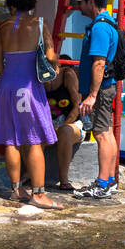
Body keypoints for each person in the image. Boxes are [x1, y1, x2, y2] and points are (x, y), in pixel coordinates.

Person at [0, 0, 61, 209]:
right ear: (30, 4)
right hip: (29, 87)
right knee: (33, 139)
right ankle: (39, 194)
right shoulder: (40, 23)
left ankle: (16, 189)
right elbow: (50, 57)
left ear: (11, 6)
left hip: (6, 87)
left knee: (11, 139)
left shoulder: (2, 27)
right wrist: (56, 65)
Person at [72, 0, 121, 200]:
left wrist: (91, 95)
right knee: (107, 132)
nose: (78, 7)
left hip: (100, 90)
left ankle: (101, 184)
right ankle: (109, 181)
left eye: (80, 3)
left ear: (90, 2)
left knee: (101, 134)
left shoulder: (100, 27)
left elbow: (99, 63)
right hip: (106, 87)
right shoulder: (107, 22)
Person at [42, 57, 82, 192]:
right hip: (48, 124)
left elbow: (77, 107)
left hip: (71, 123)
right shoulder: (39, 76)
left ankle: (63, 180)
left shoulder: (68, 75)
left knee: (64, 132)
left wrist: (62, 126)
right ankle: (31, 176)